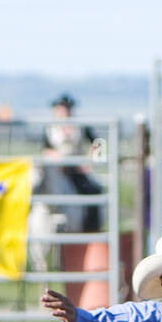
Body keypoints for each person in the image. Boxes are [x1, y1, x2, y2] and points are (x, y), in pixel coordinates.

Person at [40, 93, 108, 309]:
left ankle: (92, 227)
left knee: (94, 192)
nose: (64, 112)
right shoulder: (50, 129)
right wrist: (54, 157)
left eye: (66, 108)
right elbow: (45, 149)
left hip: (77, 171)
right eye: (61, 108)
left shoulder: (80, 127)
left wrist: (88, 160)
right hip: (58, 171)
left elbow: (97, 143)